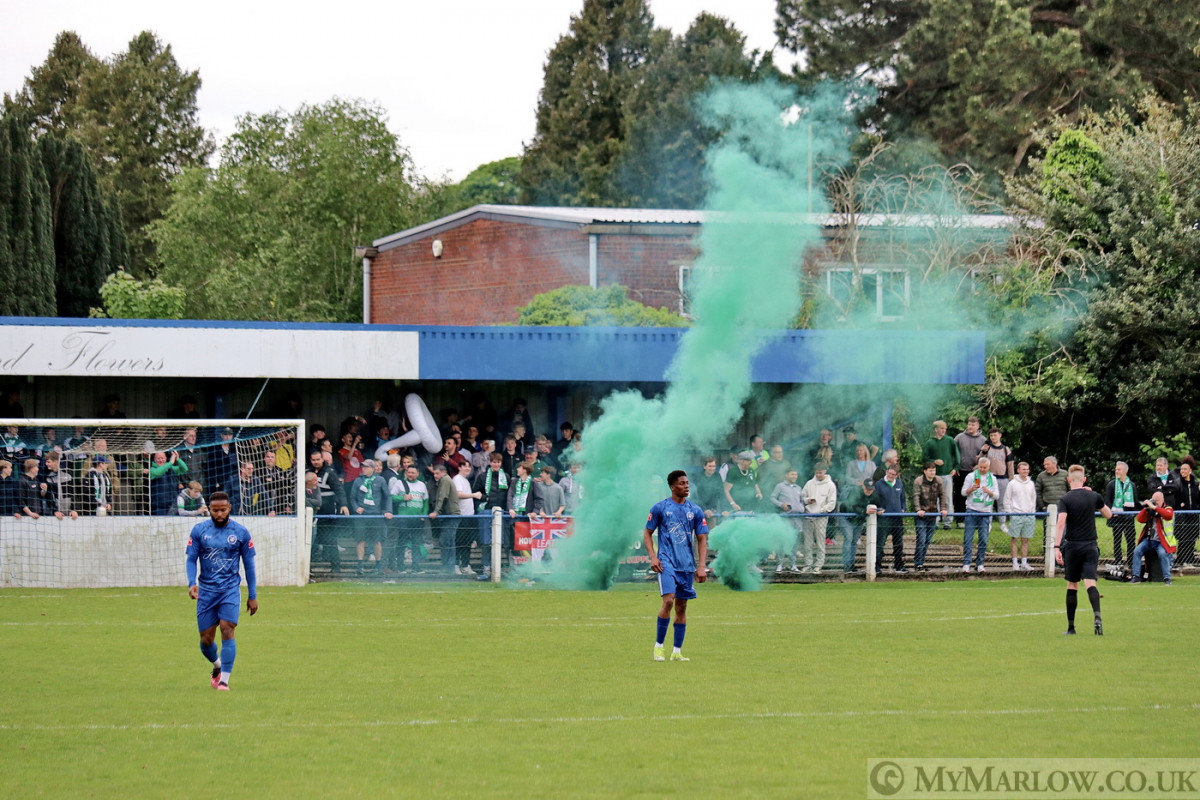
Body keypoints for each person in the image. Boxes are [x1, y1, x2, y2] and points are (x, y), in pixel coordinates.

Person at [185, 492, 257, 691]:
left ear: (229, 509)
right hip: (206, 591)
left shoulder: (240, 532)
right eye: (215, 510)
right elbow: (191, 559)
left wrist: (252, 595)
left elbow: (249, 564)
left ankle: (224, 680)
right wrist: (192, 582)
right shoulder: (199, 530)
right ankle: (217, 666)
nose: (219, 514)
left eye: (223, 510)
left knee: (227, 629)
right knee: (206, 640)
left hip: (229, 590)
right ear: (209, 508)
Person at [644, 470, 708, 663]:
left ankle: (677, 651)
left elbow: (702, 538)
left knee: (681, 607)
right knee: (669, 602)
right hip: (666, 562)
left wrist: (701, 566)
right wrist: (653, 557)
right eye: (682, 483)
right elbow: (647, 533)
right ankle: (658, 647)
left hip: (686, 565)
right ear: (672, 487)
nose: (686, 486)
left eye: (687, 483)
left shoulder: (695, 510)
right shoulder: (660, 508)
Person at [1053, 464, 1113, 635]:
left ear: (1068, 480)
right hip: (1090, 546)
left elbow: (1061, 523)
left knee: (1072, 585)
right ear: (1084, 479)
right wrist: (1095, 498)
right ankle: (1097, 617)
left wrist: (1057, 547)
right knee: (1090, 583)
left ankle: (1071, 628)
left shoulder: (1065, 499)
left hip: (1072, 546)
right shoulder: (1093, 496)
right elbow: (1108, 514)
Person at [350, 459, 393, 576]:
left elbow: (387, 496)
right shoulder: (358, 481)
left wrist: (388, 511)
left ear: (373, 468)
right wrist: (356, 507)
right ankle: (360, 566)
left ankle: (379, 566)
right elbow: (352, 498)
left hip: (376, 515)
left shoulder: (380, 480)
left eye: (366, 467)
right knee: (360, 540)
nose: (363, 468)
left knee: (377, 541)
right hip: (362, 516)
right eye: (362, 466)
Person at [960, 456, 997, 573]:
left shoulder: (993, 478)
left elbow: (997, 496)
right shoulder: (971, 476)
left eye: (985, 468)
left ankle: (980, 563)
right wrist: (971, 489)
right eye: (981, 467)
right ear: (978, 466)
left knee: (983, 539)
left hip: (986, 512)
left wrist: (989, 492)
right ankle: (966, 563)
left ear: (989, 467)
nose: (982, 469)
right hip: (972, 510)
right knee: (968, 538)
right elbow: (963, 492)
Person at [1130, 491, 1175, 584]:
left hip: (1162, 541)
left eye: (1157, 500)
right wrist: (1146, 508)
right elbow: (1140, 519)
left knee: (1163, 554)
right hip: (1150, 539)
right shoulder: (1150, 510)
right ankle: (1136, 576)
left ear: (1162, 499)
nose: (1155, 501)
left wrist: (1155, 507)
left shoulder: (1168, 508)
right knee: (1137, 551)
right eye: (1154, 500)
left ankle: (1167, 578)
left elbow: (1168, 515)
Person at [801, 465, 838, 574]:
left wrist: (822, 510)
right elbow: (802, 497)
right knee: (807, 542)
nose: (818, 475)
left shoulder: (830, 485)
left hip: (821, 517)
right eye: (816, 472)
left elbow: (832, 503)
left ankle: (818, 565)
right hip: (808, 516)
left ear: (825, 471)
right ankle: (808, 564)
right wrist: (808, 500)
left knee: (820, 542)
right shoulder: (809, 483)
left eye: (820, 473)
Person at [911, 461, 947, 571]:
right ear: (925, 471)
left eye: (934, 470)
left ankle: (921, 562)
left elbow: (942, 495)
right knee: (921, 539)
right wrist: (918, 509)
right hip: (921, 515)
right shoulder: (918, 481)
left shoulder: (938, 480)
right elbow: (915, 496)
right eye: (930, 470)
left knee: (927, 540)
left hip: (933, 513)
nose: (933, 472)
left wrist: (943, 509)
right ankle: (918, 563)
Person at [769, 467, 804, 573]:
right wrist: (781, 505)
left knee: (795, 542)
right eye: (792, 474)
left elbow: (801, 501)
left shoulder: (798, 488)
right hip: (785, 518)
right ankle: (780, 564)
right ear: (786, 475)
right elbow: (772, 498)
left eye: (796, 474)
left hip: (797, 519)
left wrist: (801, 508)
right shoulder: (780, 486)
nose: (794, 476)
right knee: (782, 541)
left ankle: (792, 564)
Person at [1103, 461, 1138, 567]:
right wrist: (1111, 513)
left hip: (1128, 518)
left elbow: (1135, 501)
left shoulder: (1131, 485)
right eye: (1116, 469)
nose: (1116, 471)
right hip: (1116, 517)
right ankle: (1118, 561)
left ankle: (1131, 562)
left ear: (1125, 471)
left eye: (1119, 469)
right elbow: (1108, 501)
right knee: (1117, 540)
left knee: (1131, 541)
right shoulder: (1111, 485)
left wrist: (1133, 514)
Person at [979, 428, 1015, 533]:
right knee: (988, 501)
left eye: (995, 435)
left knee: (1002, 502)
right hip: (989, 477)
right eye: (991, 436)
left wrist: (1011, 479)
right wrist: (983, 451)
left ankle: (1002, 524)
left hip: (1003, 478)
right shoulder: (987, 448)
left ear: (1000, 435)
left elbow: (1010, 465)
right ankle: (988, 523)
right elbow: (979, 460)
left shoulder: (1005, 449)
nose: (993, 437)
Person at [1004, 461, 1038, 570]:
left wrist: (1032, 512)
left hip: (1029, 515)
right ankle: (1015, 562)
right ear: (1018, 470)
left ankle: (1024, 562)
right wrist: (1011, 513)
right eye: (1023, 469)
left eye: (1027, 469)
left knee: (1025, 540)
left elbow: (1033, 499)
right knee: (1014, 539)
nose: (1026, 471)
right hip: (1016, 514)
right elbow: (1007, 499)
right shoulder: (1012, 483)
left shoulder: (1031, 483)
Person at [428, 463, 460, 575]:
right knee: (449, 541)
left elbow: (442, 497)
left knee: (445, 540)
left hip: (451, 515)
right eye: (434, 473)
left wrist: (436, 511)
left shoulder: (445, 480)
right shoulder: (445, 480)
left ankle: (448, 567)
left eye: (437, 473)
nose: (435, 476)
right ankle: (449, 567)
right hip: (450, 514)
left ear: (443, 472)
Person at [874, 464, 907, 573]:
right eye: (889, 473)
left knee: (898, 543)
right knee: (880, 543)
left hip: (897, 518)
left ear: (897, 475)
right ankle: (877, 566)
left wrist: (903, 509)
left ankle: (899, 565)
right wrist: (879, 509)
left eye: (893, 474)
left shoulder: (899, 484)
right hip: (884, 519)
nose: (890, 476)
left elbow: (903, 499)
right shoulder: (878, 484)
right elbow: (874, 499)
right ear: (887, 472)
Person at [952, 418, 985, 523]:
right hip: (960, 471)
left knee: (975, 493)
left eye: (973, 425)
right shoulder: (959, 437)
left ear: (978, 426)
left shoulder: (983, 440)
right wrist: (955, 466)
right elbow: (952, 452)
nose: (970, 426)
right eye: (969, 424)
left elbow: (986, 456)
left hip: (975, 472)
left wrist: (978, 466)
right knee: (959, 495)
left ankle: (974, 519)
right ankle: (960, 520)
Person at [842, 479, 879, 571]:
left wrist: (880, 510)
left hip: (859, 520)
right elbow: (851, 506)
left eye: (871, 489)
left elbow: (878, 504)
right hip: (847, 517)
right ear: (863, 486)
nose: (869, 491)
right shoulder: (855, 491)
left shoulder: (874, 494)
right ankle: (846, 564)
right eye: (867, 489)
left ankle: (851, 563)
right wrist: (863, 511)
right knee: (849, 539)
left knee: (854, 541)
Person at [1172, 457, 1199, 568]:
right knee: (1183, 539)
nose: (1182, 471)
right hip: (1182, 516)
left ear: (1190, 471)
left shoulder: (1195, 484)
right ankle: (1182, 560)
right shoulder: (1178, 483)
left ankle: (1189, 560)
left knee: (1192, 538)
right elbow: (1174, 499)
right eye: (1181, 469)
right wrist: (1180, 505)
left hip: (1194, 515)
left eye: (1185, 469)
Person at [690, 456, 728, 526]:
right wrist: (704, 509)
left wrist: (724, 509)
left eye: (714, 466)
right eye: (710, 466)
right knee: (699, 534)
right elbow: (695, 496)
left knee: (711, 533)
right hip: (698, 510)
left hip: (712, 510)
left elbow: (721, 494)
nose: (712, 468)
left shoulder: (717, 476)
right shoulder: (697, 477)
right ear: (704, 466)